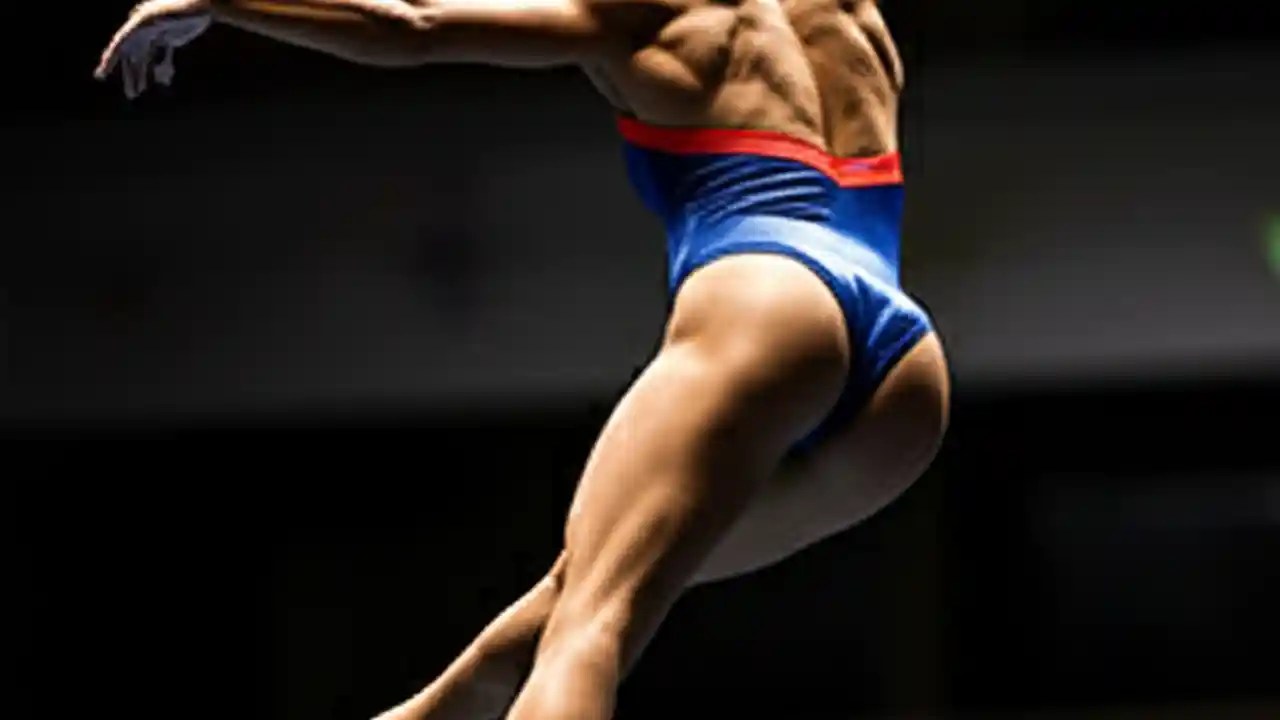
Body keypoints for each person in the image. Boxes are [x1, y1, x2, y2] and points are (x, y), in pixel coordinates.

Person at [96, 1, 951, 717]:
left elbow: (411, 22)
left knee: (594, 619)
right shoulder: (855, 13)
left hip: (768, 300)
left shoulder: (665, 10)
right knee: (582, 591)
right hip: (907, 374)